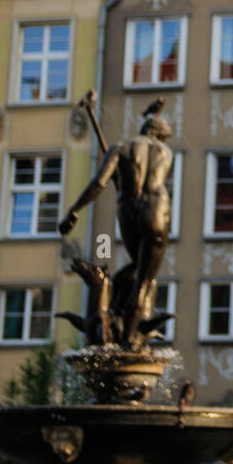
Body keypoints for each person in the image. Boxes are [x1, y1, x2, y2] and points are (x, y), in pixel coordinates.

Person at [59, 107, 173, 344]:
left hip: (129, 210)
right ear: (159, 135)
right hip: (156, 210)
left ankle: (120, 316)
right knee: (144, 279)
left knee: (137, 268)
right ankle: (130, 339)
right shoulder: (166, 152)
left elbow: (100, 182)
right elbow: (149, 178)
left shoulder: (120, 148)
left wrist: (74, 210)